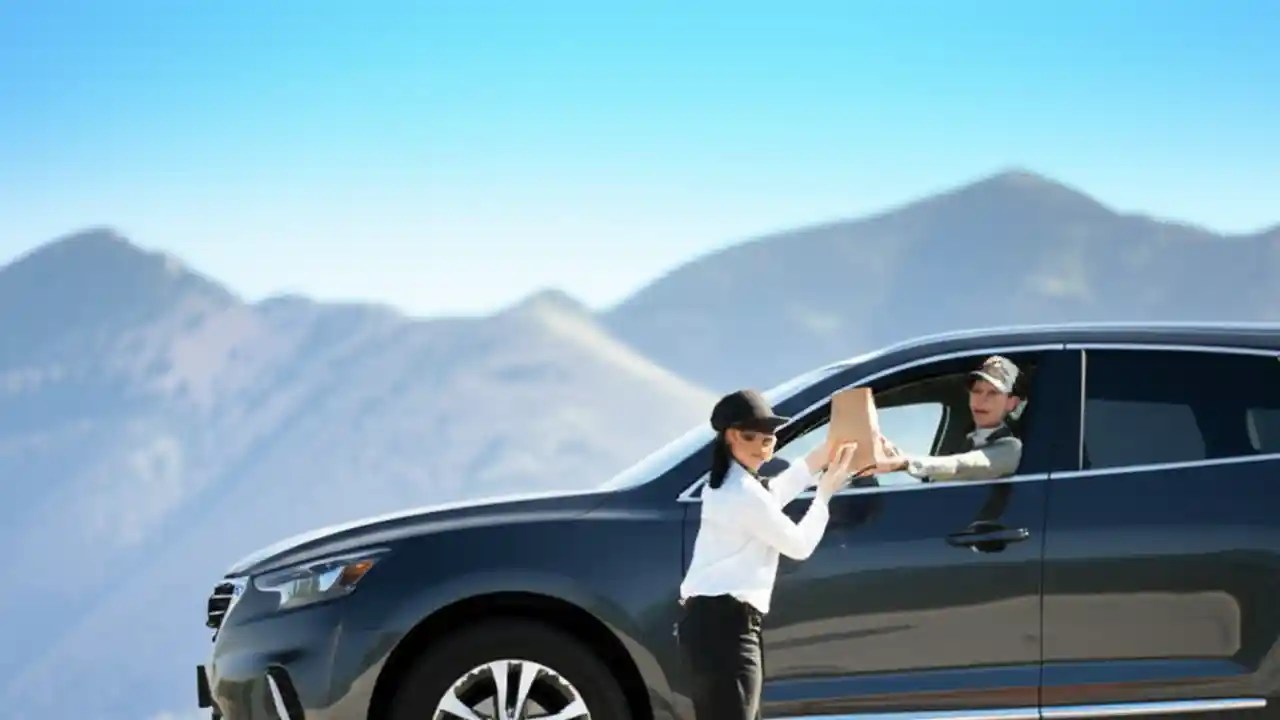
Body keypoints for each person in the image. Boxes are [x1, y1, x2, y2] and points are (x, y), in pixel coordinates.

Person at [677, 388, 858, 720]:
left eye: (769, 439)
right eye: (752, 438)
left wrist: (835, 446)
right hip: (726, 628)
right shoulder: (742, 493)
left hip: (715, 625)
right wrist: (825, 494)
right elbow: (799, 545)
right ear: (731, 436)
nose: (763, 448)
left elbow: (778, 490)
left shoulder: (734, 485)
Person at [877, 355, 1025, 482]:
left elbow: (959, 466)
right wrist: (895, 455)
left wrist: (905, 462)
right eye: (976, 391)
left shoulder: (1011, 448)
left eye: (993, 393)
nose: (981, 400)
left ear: (1012, 403)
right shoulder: (966, 440)